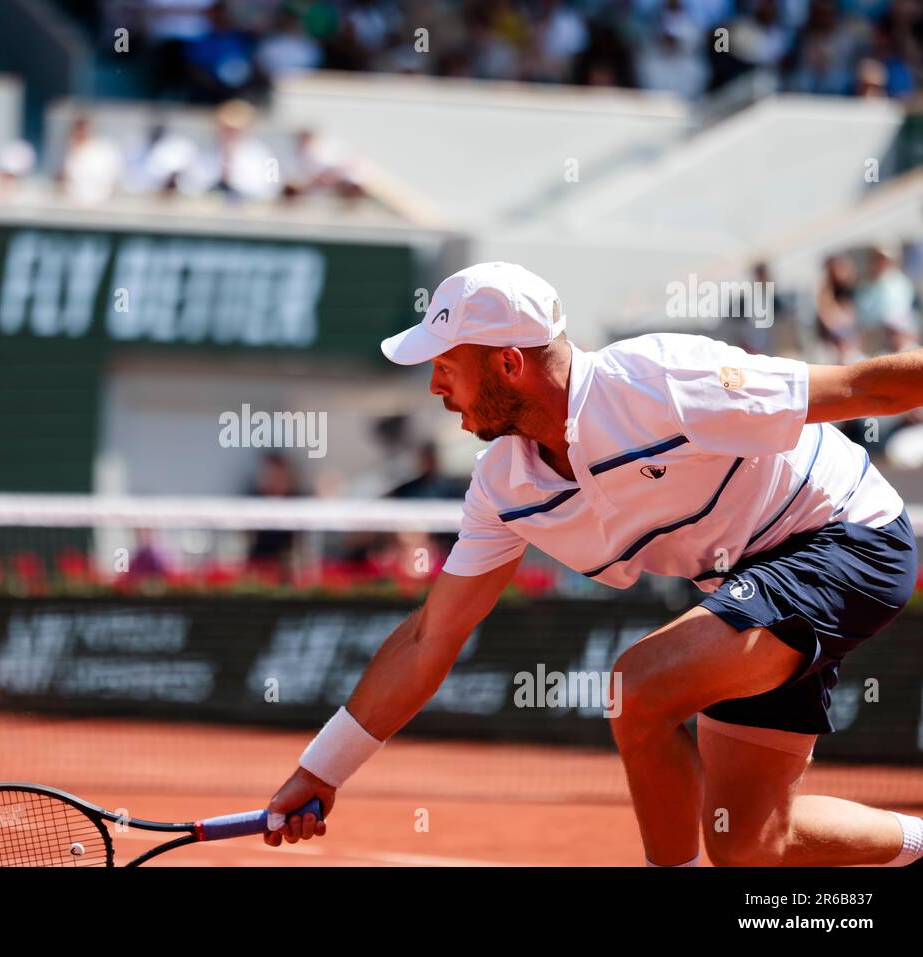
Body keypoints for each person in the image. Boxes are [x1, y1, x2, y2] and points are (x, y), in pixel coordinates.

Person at [263, 261, 923, 868]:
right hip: (746, 583)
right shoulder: (503, 485)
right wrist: (320, 771)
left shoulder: (661, 382)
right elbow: (429, 637)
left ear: (509, 363)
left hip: (846, 535)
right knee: (750, 841)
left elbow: (862, 386)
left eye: (445, 363)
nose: (434, 384)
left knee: (636, 688)